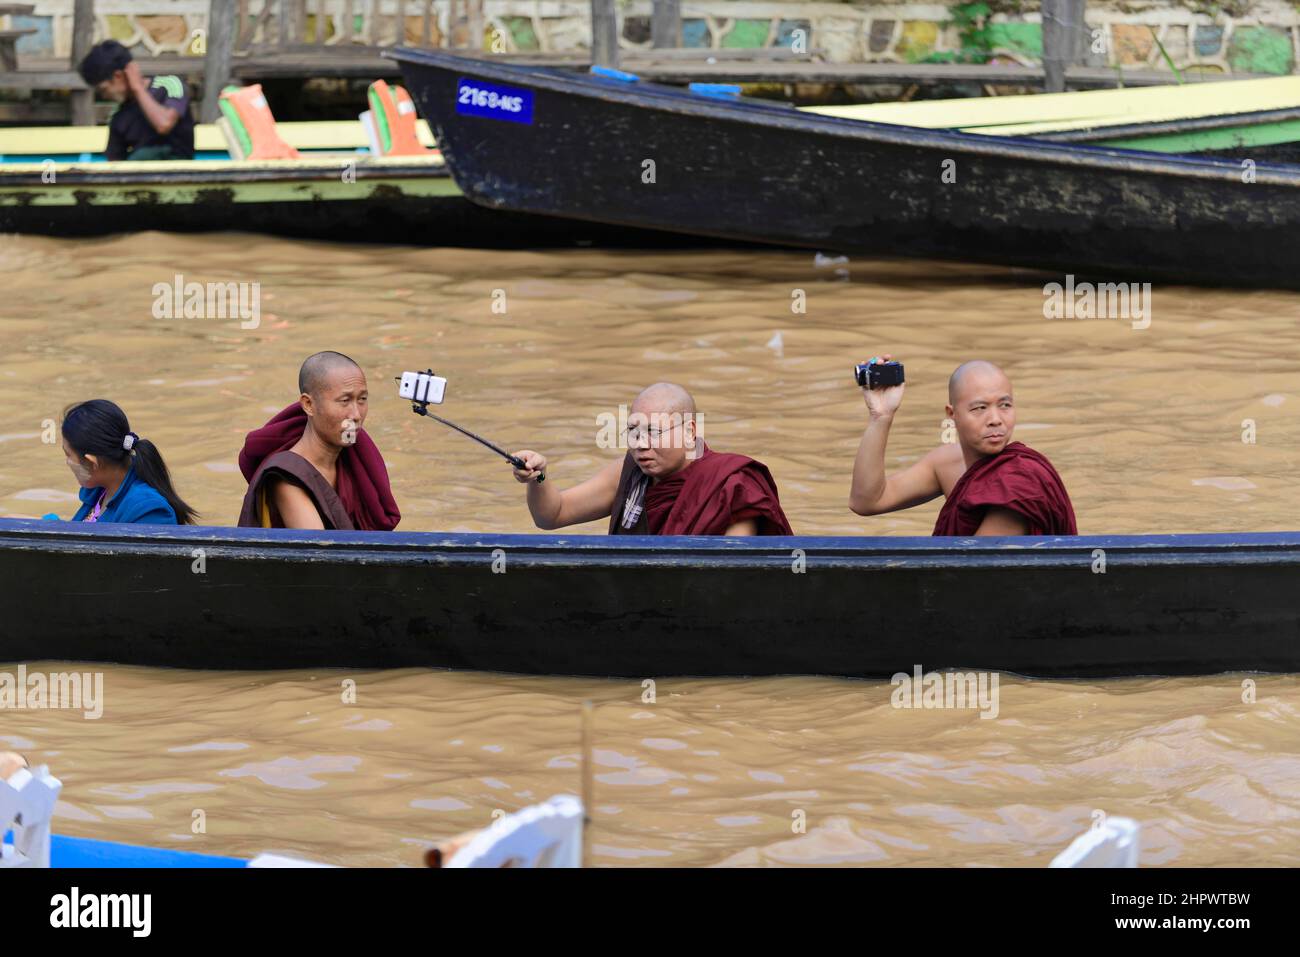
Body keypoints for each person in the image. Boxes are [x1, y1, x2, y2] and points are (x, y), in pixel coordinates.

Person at [510, 382, 792, 536]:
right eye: (633, 431)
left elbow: (733, 573)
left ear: (689, 431)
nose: (640, 445)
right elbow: (552, 515)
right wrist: (539, 477)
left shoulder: (730, 485)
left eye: (653, 432)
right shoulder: (628, 474)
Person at [849, 358, 1076, 536]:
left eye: (1005, 405)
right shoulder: (945, 463)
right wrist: (881, 415)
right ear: (952, 414)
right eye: (979, 408)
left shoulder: (1021, 481)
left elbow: (971, 572)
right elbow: (867, 501)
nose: (995, 419)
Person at [238, 351, 400, 531]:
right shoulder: (287, 476)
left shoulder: (353, 460)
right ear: (308, 405)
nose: (356, 415)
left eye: (362, 399)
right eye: (344, 401)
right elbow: (321, 553)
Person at [60, 399, 196, 524]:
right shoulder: (101, 490)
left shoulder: (149, 513)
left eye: (68, 455)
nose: (67, 462)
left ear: (92, 463)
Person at [77, 40, 195, 161]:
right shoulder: (118, 115)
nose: (104, 96)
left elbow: (164, 124)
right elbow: (114, 165)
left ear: (118, 76)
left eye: (104, 90)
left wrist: (138, 88)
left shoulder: (170, 85)